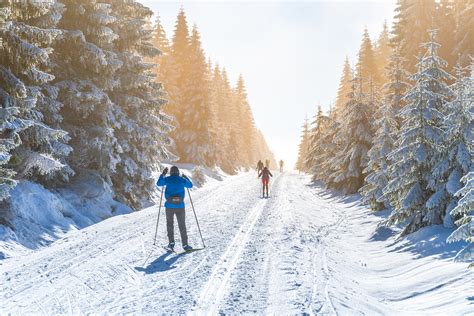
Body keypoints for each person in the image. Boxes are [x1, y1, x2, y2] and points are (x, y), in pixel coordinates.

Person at [157, 166, 193, 251]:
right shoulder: (181, 180)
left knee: (170, 224)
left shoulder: (168, 179)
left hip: (169, 206)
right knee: (182, 225)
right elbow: (190, 185)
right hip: (180, 206)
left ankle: (171, 244)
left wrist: (163, 174)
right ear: (178, 172)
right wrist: (185, 177)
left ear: (171, 172)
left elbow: (159, 183)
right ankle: (185, 245)